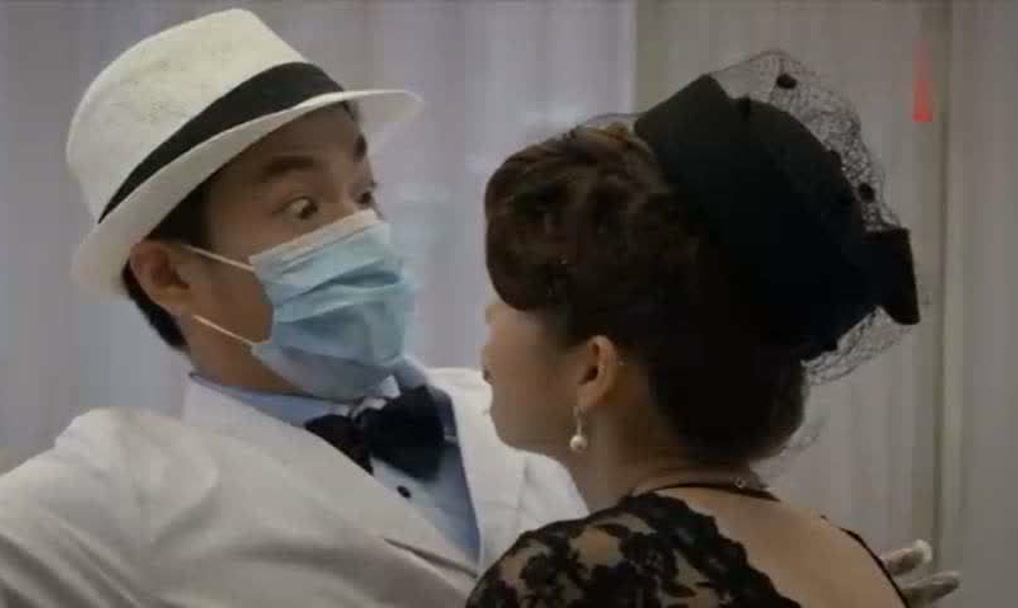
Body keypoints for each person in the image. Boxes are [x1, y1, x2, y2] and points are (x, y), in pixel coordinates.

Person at [0, 10, 953, 608]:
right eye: (303, 209)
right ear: (168, 275)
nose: (364, 230)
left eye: (363, 192)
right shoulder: (111, 495)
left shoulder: (530, 406)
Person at [469, 51, 954, 607]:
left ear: (593, 370)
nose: (489, 315)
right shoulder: (853, 562)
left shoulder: (566, 577)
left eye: (511, 299)